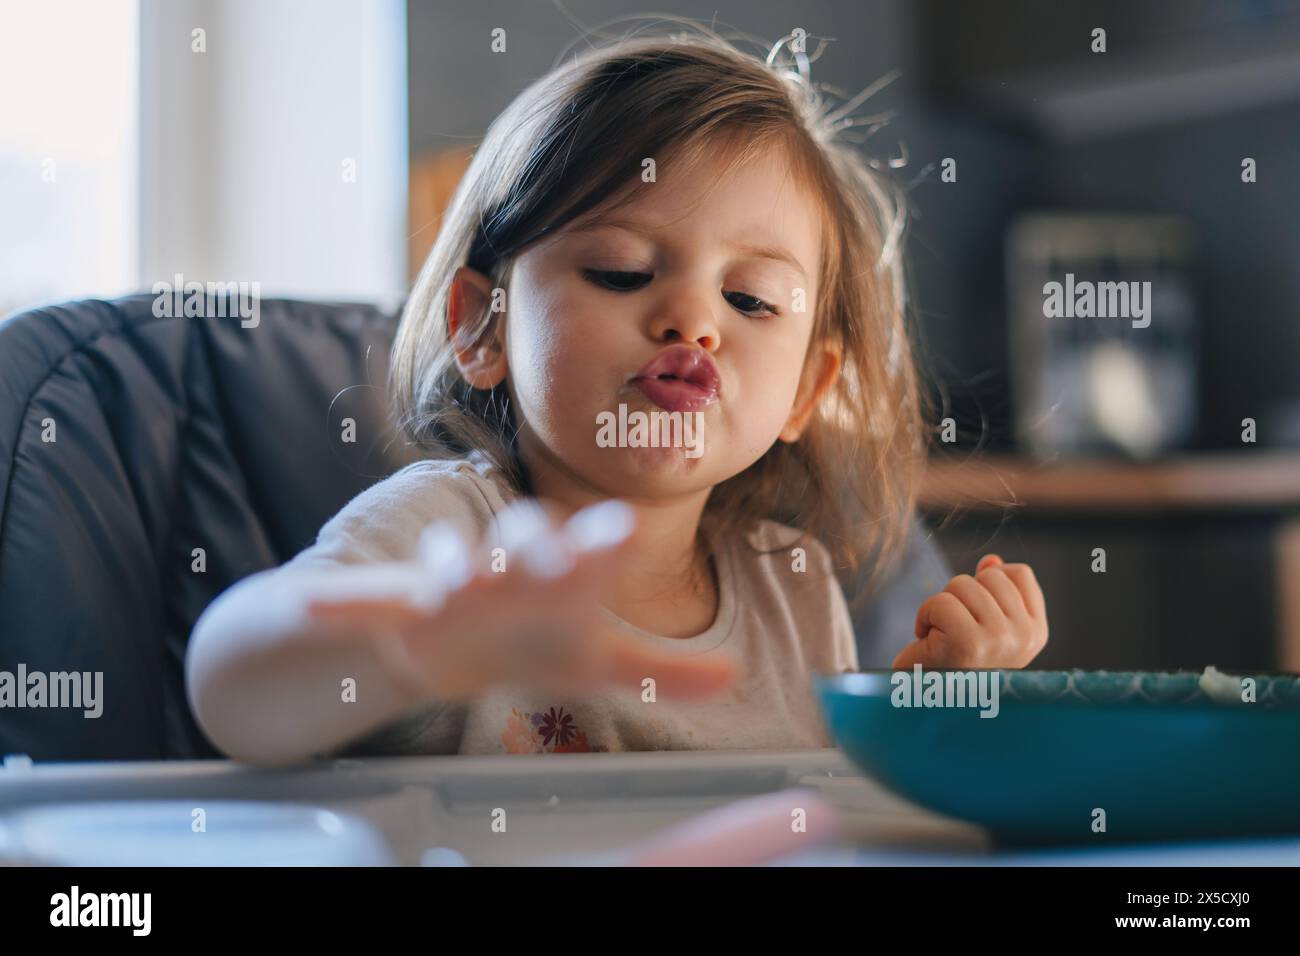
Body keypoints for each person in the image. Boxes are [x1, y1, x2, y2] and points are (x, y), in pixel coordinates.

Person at [185, 26, 1048, 767]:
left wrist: (933, 706)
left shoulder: (794, 583)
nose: (693, 322)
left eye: (749, 299)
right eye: (620, 271)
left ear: (806, 392)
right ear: (484, 329)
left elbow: (825, 824)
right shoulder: (448, 537)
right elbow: (229, 688)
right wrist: (418, 639)